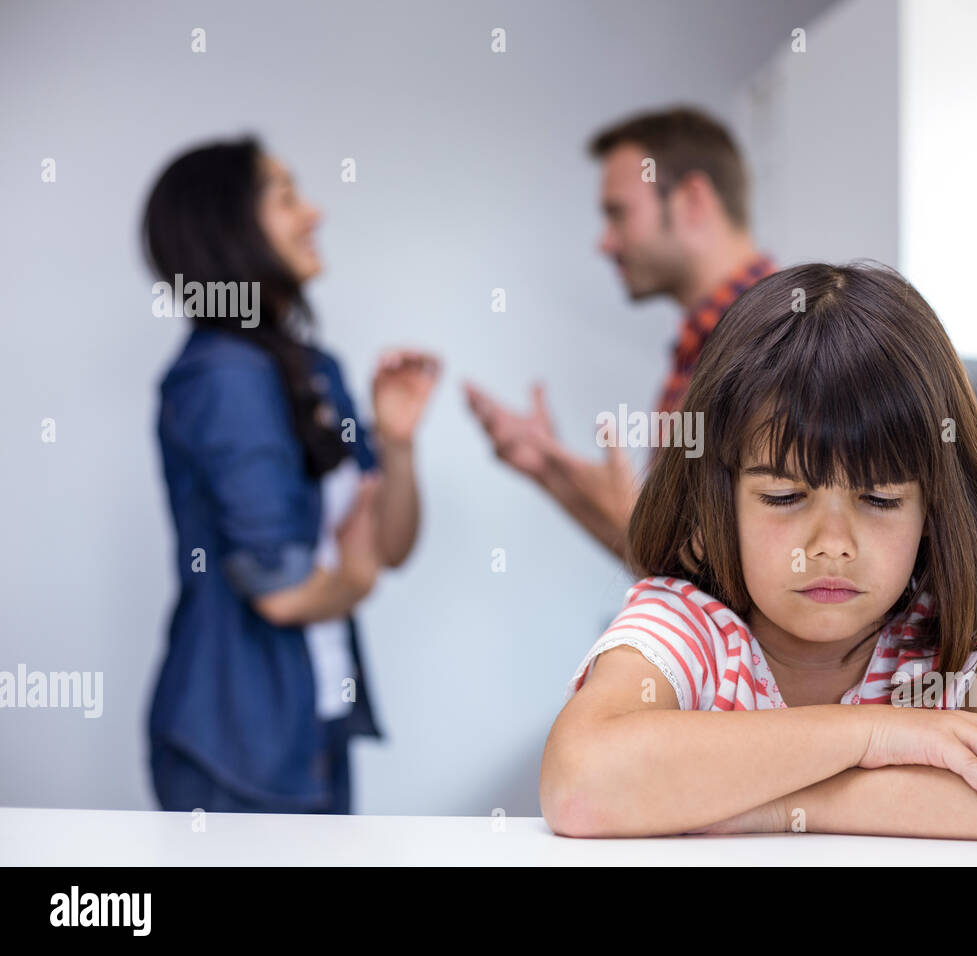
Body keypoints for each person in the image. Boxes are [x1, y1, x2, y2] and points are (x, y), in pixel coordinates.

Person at [539, 261, 977, 840]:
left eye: (881, 499)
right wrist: (869, 735)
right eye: (785, 496)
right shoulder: (686, 628)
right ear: (719, 499)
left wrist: (779, 807)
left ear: (932, 511)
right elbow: (580, 786)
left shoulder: (951, 645)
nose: (833, 547)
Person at [143, 137, 440, 813]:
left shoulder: (314, 368)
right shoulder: (224, 375)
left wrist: (397, 445)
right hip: (236, 744)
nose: (314, 212)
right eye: (285, 196)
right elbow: (283, 592)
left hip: (318, 720)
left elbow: (390, 545)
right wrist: (355, 578)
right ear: (230, 229)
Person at [464, 106, 777, 562]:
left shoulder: (778, 345)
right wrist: (552, 473)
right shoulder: (702, 346)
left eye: (618, 214)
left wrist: (623, 513)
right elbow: (673, 575)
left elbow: (742, 588)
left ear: (692, 200)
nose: (604, 242)